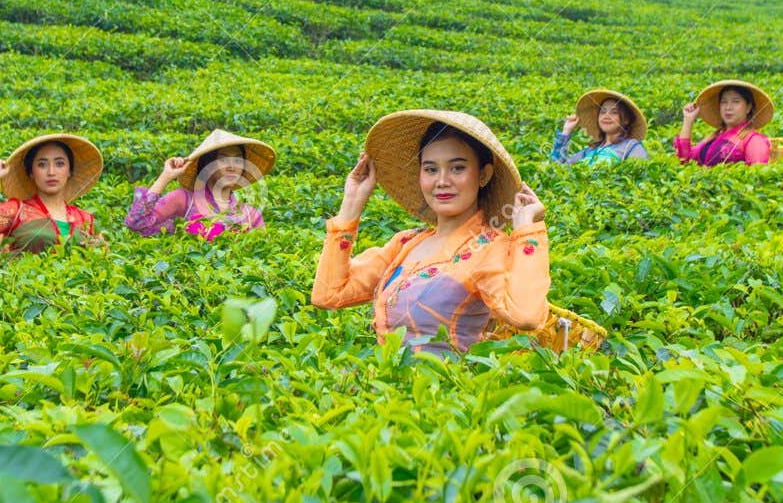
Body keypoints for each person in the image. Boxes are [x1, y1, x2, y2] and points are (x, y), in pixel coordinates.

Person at [312, 109, 549, 359]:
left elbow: (526, 316)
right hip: (385, 391)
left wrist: (526, 229)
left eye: (457, 168)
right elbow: (328, 295)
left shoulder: (489, 246)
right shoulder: (406, 243)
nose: (442, 181)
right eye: (431, 169)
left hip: (446, 392)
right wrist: (351, 204)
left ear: (483, 175)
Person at [0, 132, 103, 255]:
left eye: (59, 163)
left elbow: (102, 261)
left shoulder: (85, 219)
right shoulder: (16, 210)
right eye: (41, 164)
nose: (51, 172)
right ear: (31, 172)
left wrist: (98, 249)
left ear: (70, 170)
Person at [124, 128, 273, 240]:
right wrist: (165, 177)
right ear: (207, 164)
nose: (232, 166)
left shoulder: (251, 214)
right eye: (223, 159)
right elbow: (137, 223)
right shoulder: (184, 200)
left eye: (238, 160)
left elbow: (262, 254)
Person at [675, 80, 773, 166]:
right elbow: (685, 161)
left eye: (735, 101)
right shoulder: (713, 137)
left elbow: (757, 174)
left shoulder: (753, 139)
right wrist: (688, 121)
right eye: (724, 102)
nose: (728, 107)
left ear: (748, 107)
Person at [551, 88, 649, 164]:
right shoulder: (590, 150)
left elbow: (640, 177)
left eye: (614, 112)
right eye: (602, 112)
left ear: (626, 120)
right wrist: (566, 131)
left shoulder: (631, 147)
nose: (606, 116)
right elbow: (557, 168)